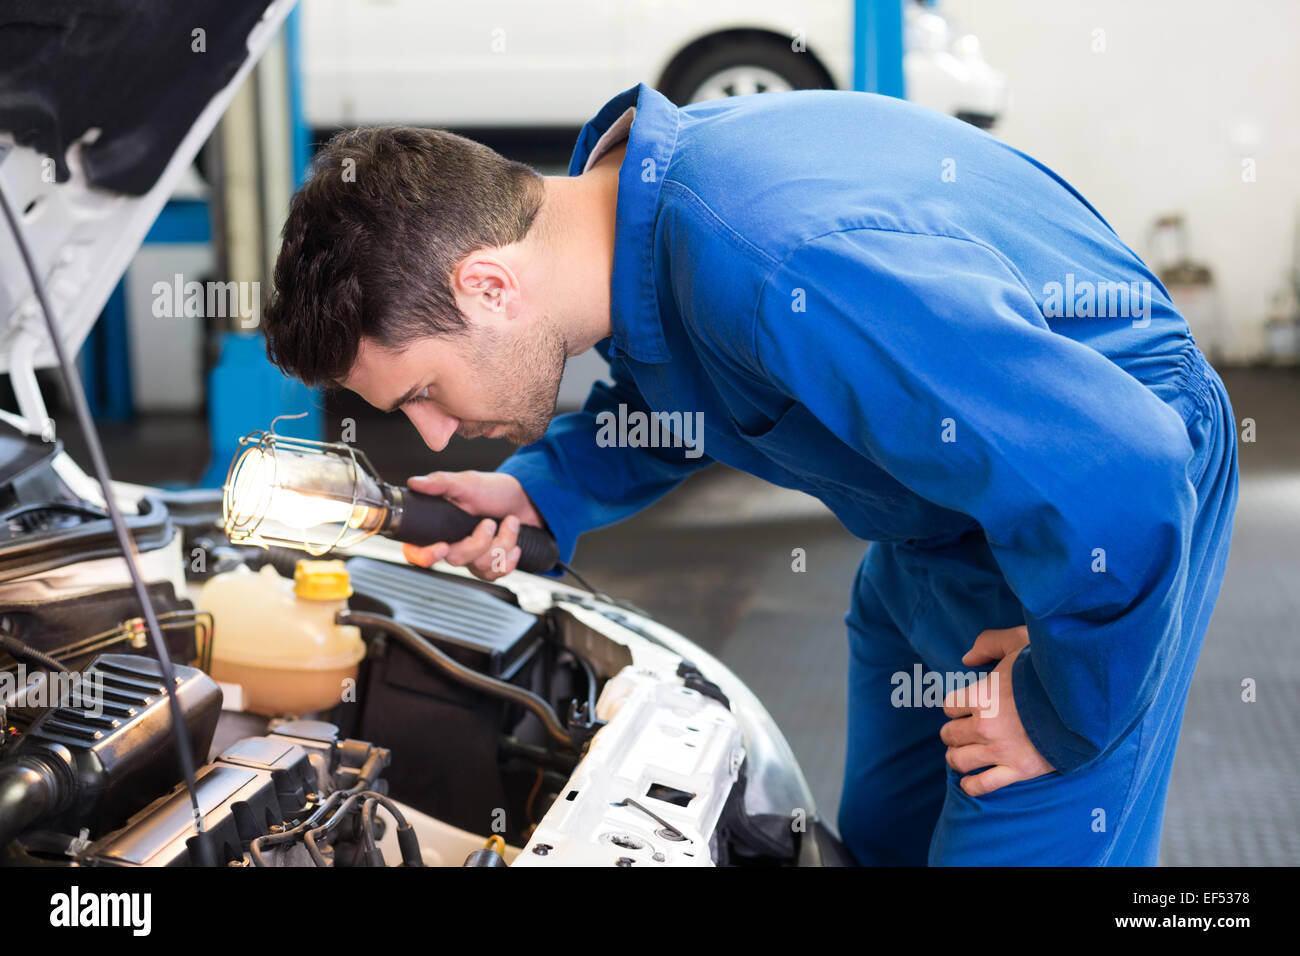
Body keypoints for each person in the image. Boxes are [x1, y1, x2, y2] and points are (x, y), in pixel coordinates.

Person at [261, 82, 1239, 865]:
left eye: (423, 389)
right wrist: (544, 485)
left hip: (1091, 529)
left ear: (486, 283)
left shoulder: (782, 267)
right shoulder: (629, 232)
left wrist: (1057, 711)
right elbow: (704, 381)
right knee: (883, 842)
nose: (432, 438)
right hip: (942, 530)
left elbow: (1121, 470)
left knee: (1017, 805)